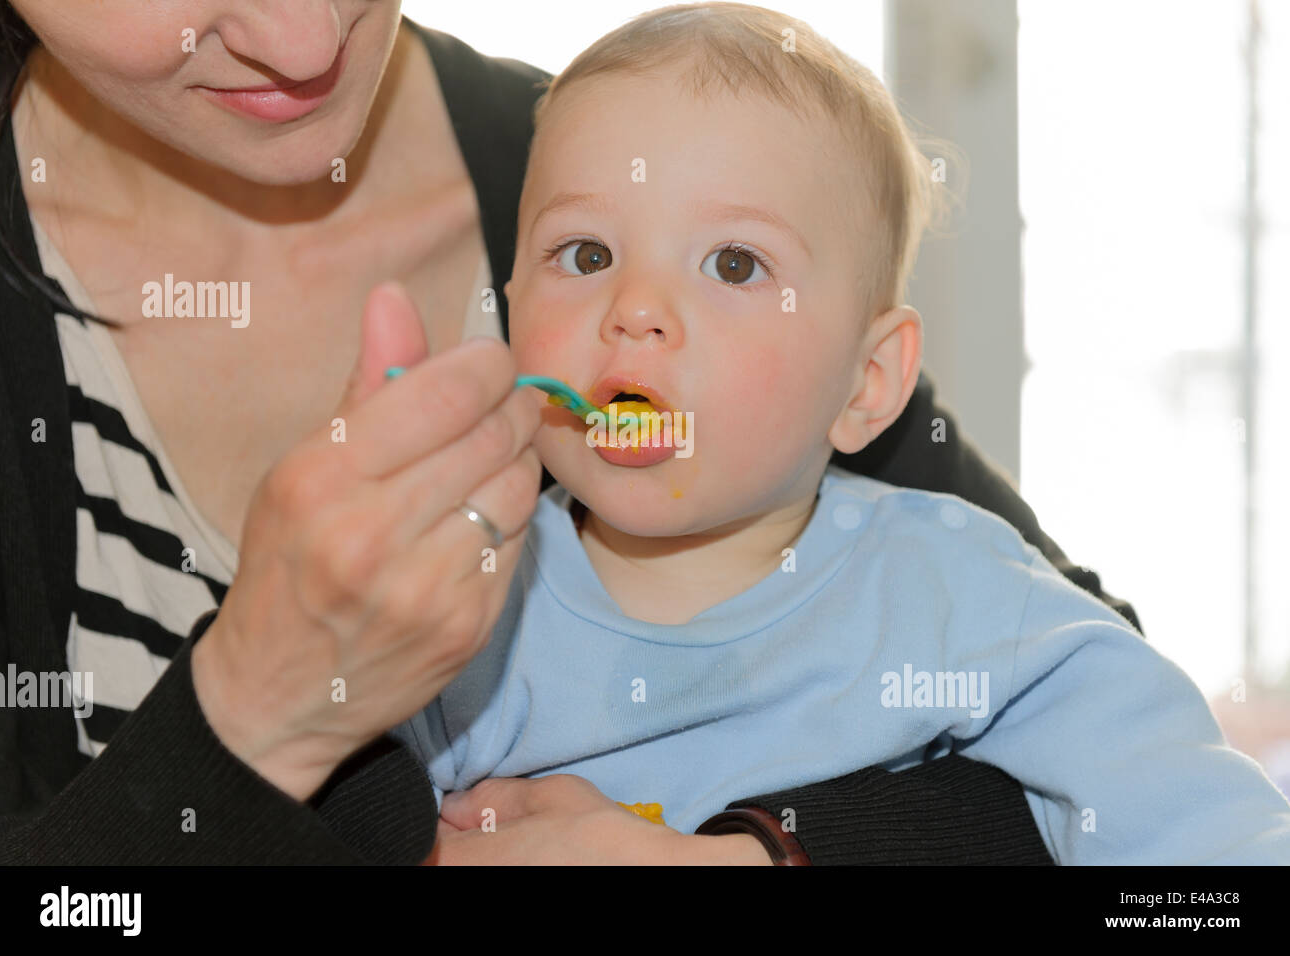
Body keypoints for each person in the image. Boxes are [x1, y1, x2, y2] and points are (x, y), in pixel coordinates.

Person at [0, 0, 1126, 865]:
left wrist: (748, 852)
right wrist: (252, 714)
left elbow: (1126, 760)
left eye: (732, 268)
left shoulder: (633, 164)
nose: (301, 39)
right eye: (580, 259)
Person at [396, 2, 1290, 864]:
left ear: (867, 383)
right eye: (586, 255)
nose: (634, 310)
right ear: (508, 312)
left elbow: (1203, 835)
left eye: (734, 264)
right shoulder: (458, 594)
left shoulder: (962, 601)